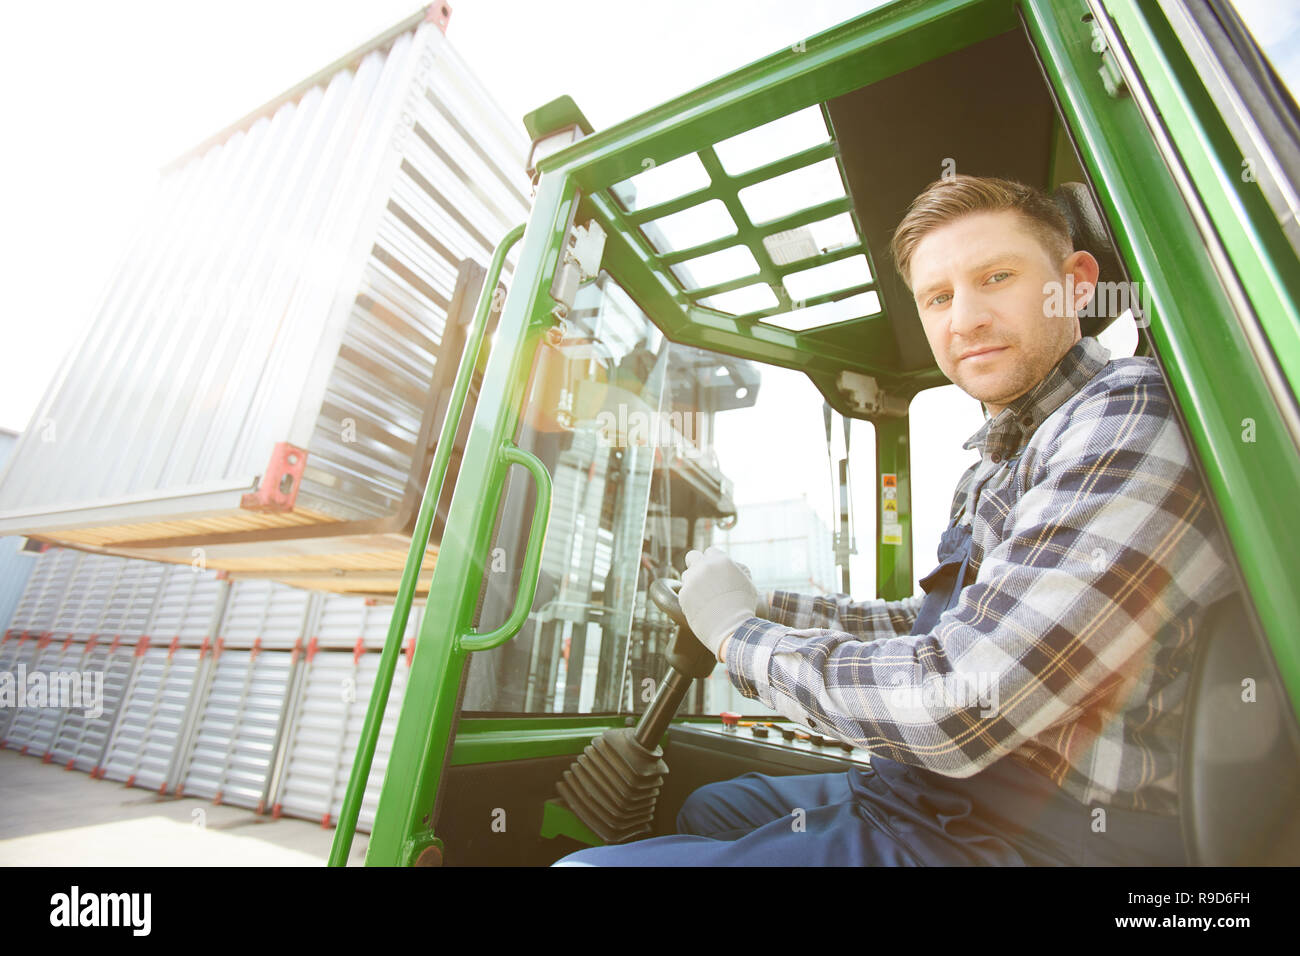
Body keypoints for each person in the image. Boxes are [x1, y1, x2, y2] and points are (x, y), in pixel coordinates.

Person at [552, 174, 1238, 866]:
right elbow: (929, 628)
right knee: (711, 806)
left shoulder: (1122, 417)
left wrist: (738, 637)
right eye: (938, 297)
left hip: (1035, 840)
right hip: (941, 798)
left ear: (1077, 283)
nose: (965, 319)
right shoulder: (1000, 456)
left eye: (996, 278)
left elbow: (959, 702)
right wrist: (761, 605)